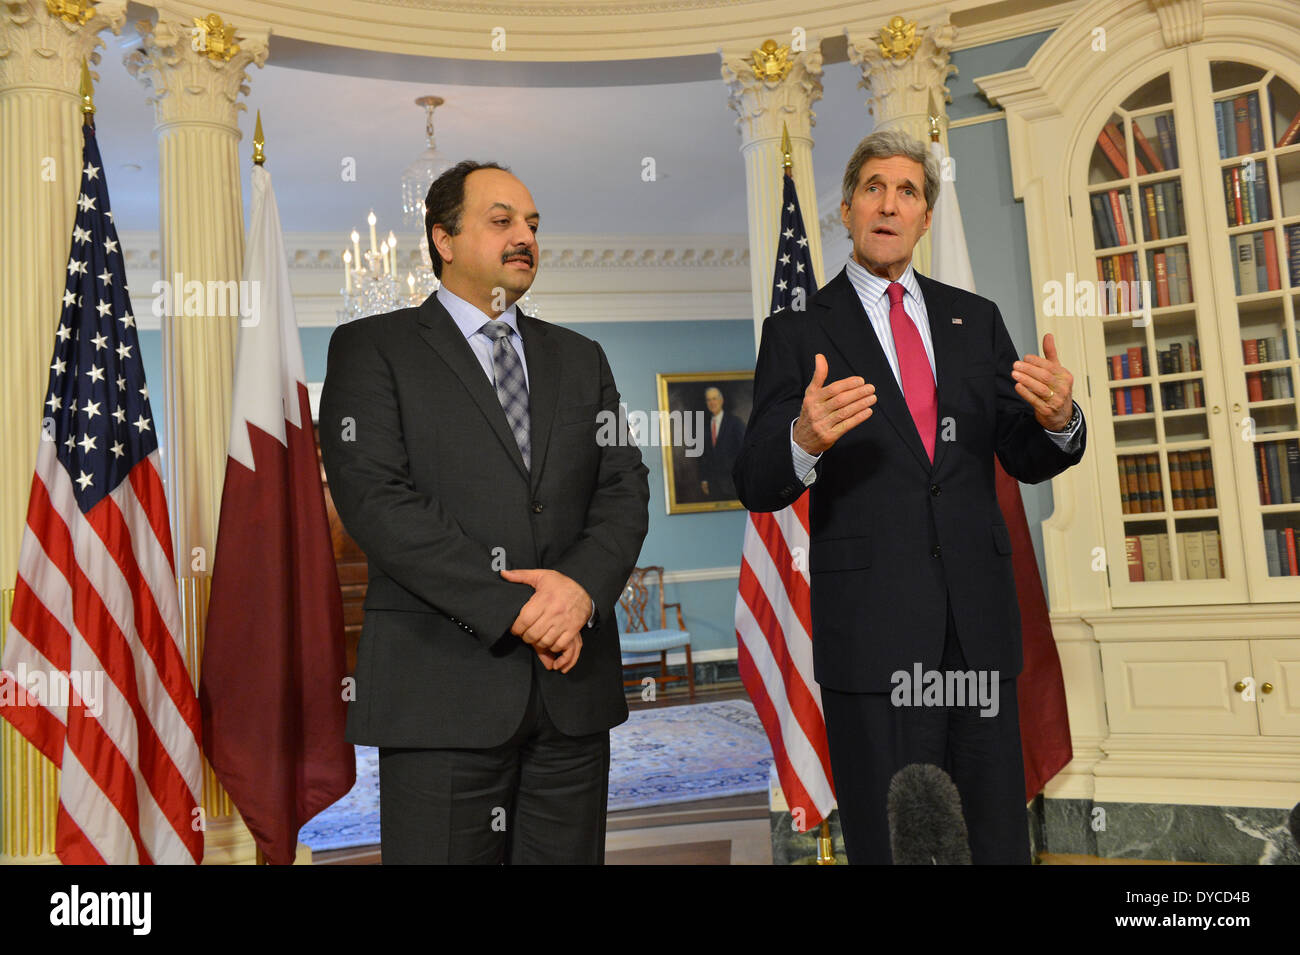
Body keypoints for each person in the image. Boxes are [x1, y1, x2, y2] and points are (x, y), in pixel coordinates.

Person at [733, 129, 1086, 864]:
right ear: (847, 208)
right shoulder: (800, 331)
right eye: (873, 188)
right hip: (873, 635)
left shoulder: (975, 318)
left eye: (908, 191)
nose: (890, 204)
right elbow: (755, 478)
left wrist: (1059, 420)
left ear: (925, 217)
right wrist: (802, 436)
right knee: (893, 842)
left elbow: (1020, 450)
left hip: (978, 627)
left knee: (993, 836)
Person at [319, 160, 649, 864]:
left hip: (572, 690)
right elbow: (377, 503)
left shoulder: (582, 358)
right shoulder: (372, 349)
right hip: (441, 694)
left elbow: (624, 487)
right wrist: (519, 607)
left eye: (531, 223)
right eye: (501, 220)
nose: (524, 235)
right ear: (442, 237)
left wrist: (580, 590)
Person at [699, 386, 745, 499]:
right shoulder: (705, 426)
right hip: (713, 485)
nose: (712, 402)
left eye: (714, 398)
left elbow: (744, 451)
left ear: (721, 400)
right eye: (709, 400)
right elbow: (704, 456)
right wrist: (704, 479)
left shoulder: (735, 423)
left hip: (732, 484)